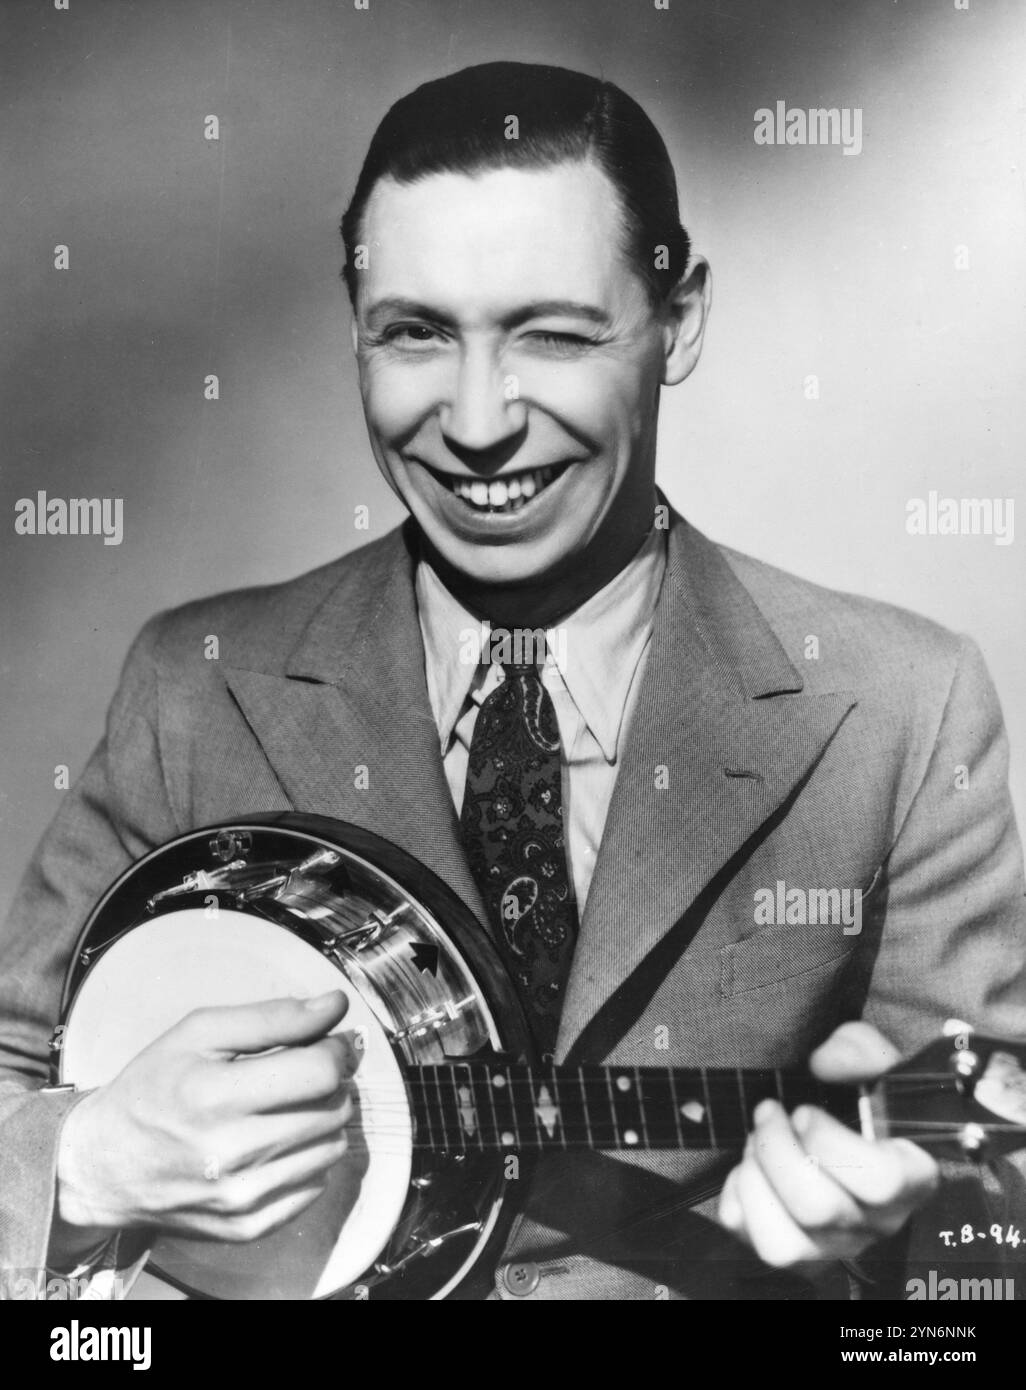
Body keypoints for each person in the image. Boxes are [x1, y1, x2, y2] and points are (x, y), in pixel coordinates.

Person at [1, 61, 1024, 1302]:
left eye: (552, 334)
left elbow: (988, 1224)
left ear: (680, 321)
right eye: (417, 333)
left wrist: (864, 1264)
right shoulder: (193, 685)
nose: (478, 421)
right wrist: (85, 1164)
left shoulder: (901, 710)